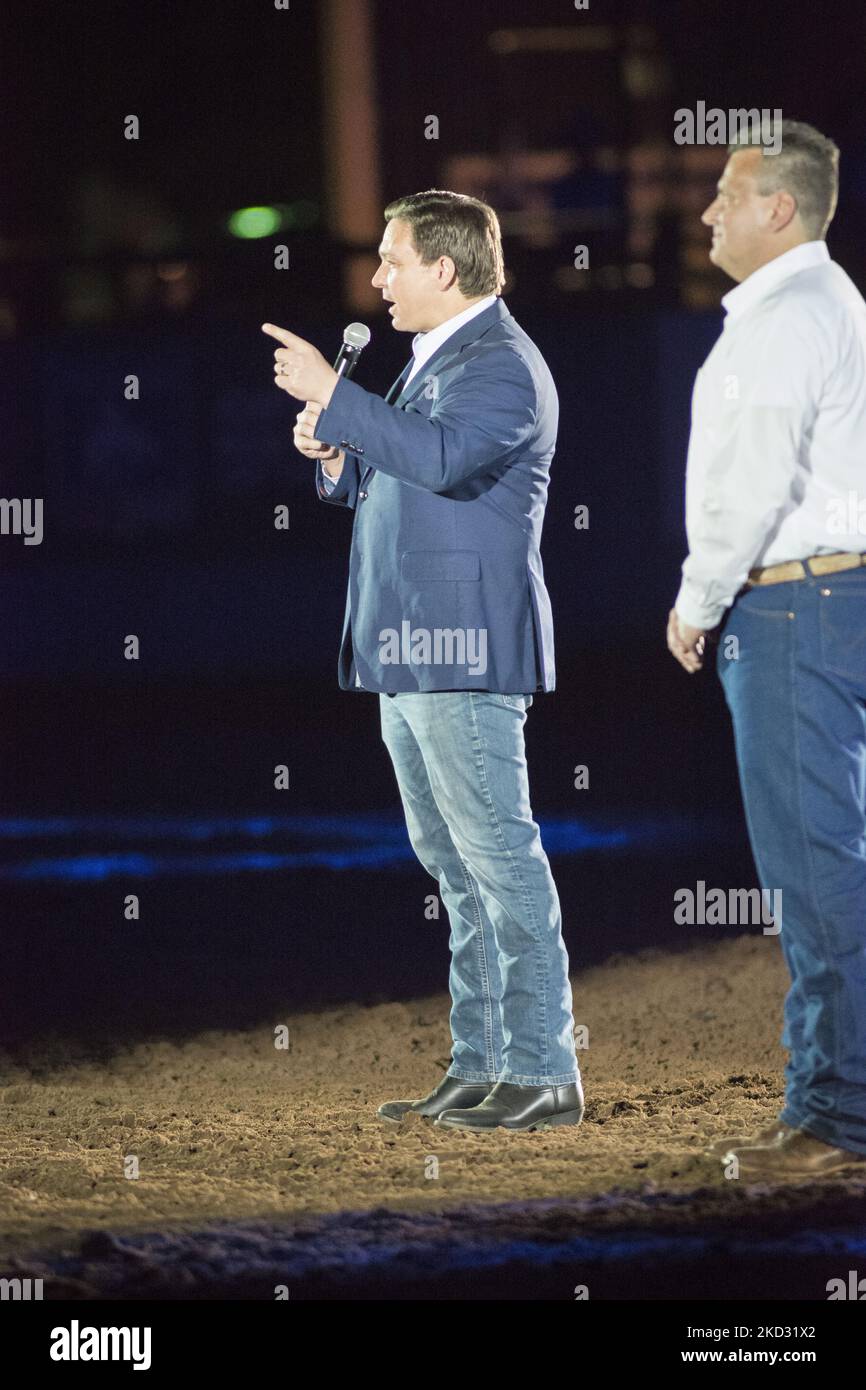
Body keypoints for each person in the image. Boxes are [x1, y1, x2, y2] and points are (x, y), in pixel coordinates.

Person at [262, 190, 582, 1132]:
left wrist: (335, 395)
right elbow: (378, 476)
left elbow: (444, 463)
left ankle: (543, 1069)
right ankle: (483, 1064)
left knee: (497, 856)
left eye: (394, 262)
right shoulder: (433, 361)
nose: (378, 280)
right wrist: (333, 448)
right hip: (408, 648)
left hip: (463, 648)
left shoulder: (504, 366)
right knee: (453, 866)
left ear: (445, 270)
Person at [667, 121, 866, 1178]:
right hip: (834, 602)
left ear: (776, 210)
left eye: (724, 194)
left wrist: (700, 598)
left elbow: (749, 478)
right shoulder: (821, 304)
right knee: (833, 858)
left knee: (812, 868)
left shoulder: (788, 316)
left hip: (792, 608)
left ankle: (836, 1118)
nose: (706, 211)